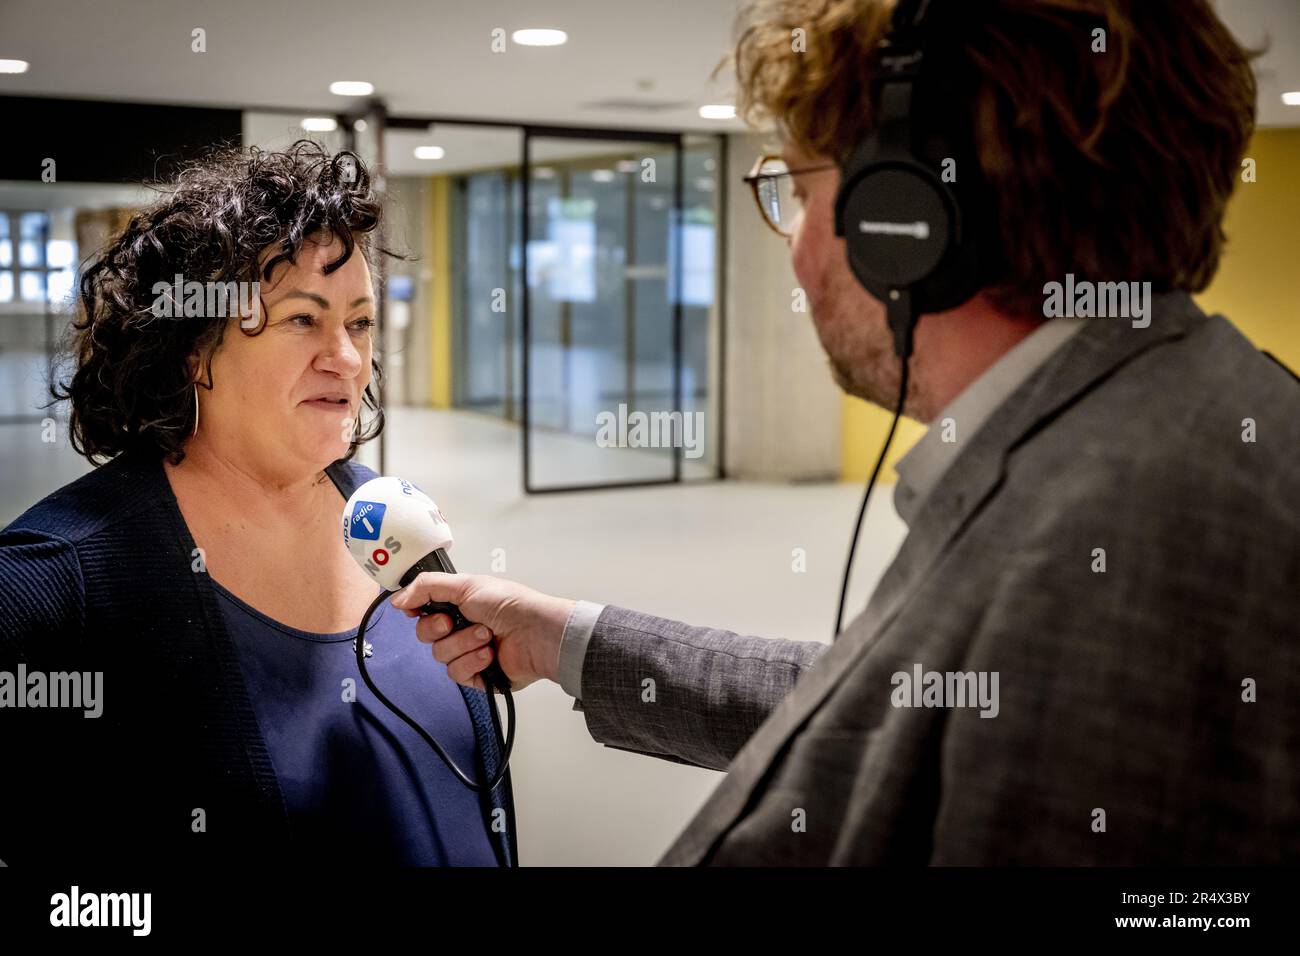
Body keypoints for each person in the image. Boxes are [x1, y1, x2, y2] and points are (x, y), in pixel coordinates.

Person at [392, 0, 1299, 864]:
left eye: (793, 184)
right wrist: (566, 640)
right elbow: (892, 709)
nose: (790, 242)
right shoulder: (1144, 424)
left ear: (906, 222)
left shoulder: (1131, 534)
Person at [0, 142, 513, 866]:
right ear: (193, 347)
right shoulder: (55, 581)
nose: (346, 356)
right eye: (303, 319)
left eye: (359, 322)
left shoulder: (379, 510)